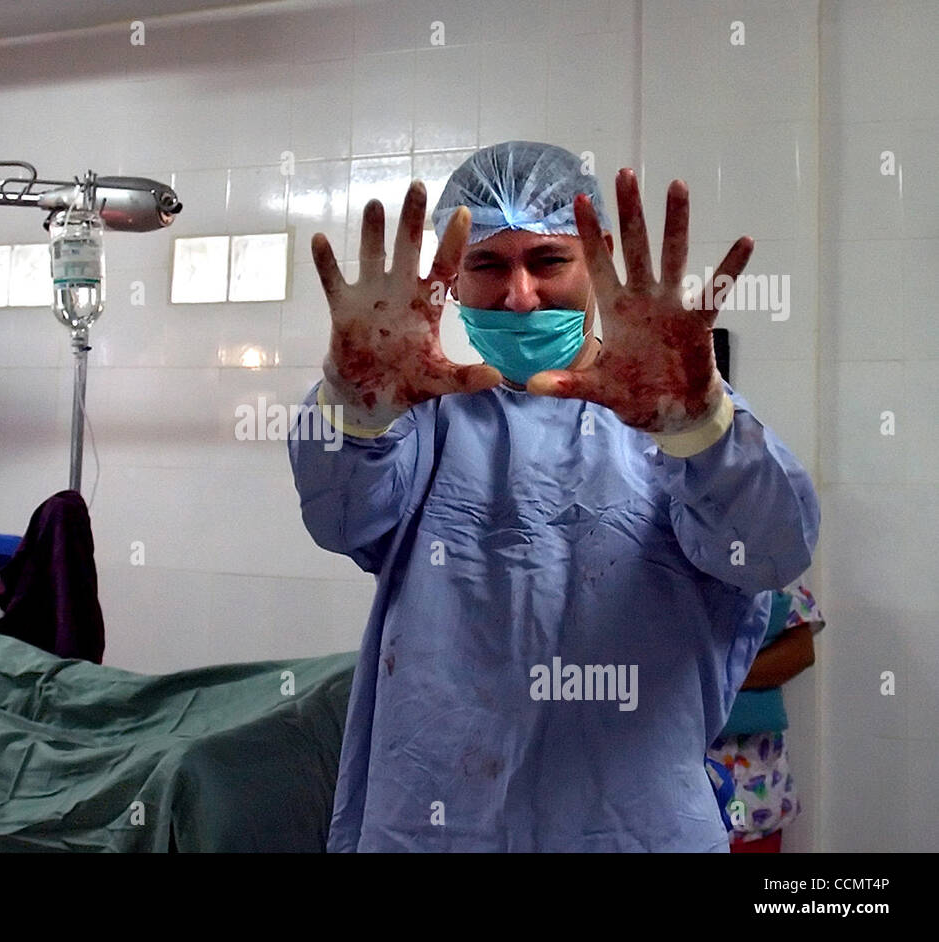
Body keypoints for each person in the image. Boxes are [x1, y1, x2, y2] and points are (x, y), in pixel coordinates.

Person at [287, 141, 819, 852]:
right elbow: (339, 515)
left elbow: (771, 551)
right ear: (453, 282)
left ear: (594, 267)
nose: (520, 296)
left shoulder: (674, 422)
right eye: (487, 264)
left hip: (629, 825)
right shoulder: (417, 424)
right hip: (435, 821)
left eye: (547, 261)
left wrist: (701, 427)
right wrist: (352, 410)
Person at [710, 580, 825, 852]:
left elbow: (801, 651)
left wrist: (715, 680)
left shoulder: (775, 559)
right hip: (669, 796)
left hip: (755, 790)